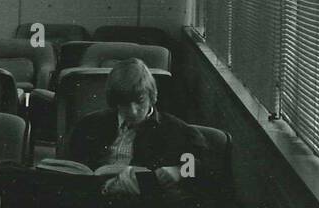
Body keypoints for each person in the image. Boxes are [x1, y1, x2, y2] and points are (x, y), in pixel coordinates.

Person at [60, 57, 208, 197]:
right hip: (94, 199)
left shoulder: (176, 129)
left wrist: (179, 171)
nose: (133, 111)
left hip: (142, 206)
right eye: (124, 103)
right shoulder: (89, 124)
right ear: (115, 101)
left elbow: (203, 164)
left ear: (151, 96)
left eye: (140, 101)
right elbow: (72, 163)